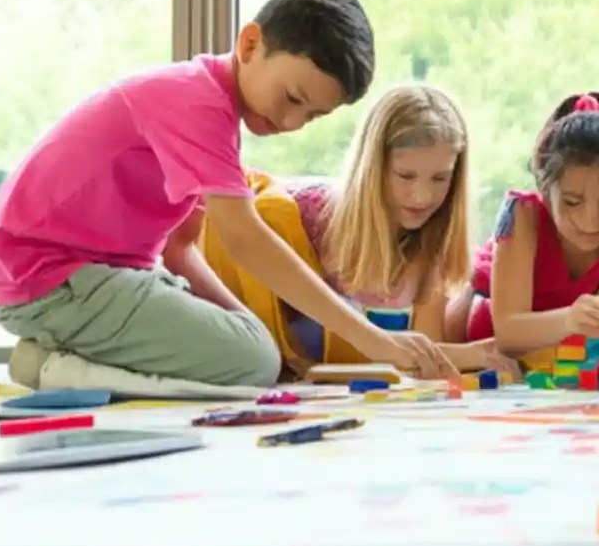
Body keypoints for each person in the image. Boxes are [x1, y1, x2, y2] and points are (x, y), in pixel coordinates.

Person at [0, 0, 458, 390]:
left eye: (312, 116)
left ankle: (61, 353)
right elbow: (245, 239)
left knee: (256, 356)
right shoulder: (195, 104)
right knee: (251, 365)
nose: (292, 122)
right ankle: (52, 369)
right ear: (250, 45)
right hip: (43, 274)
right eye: (292, 97)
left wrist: (250, 333)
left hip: (93, 274)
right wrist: (374, 341)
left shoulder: (211, 115)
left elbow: (180, 251)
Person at [199, 84, 516, 380]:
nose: (422, 197)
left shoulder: (431, 243)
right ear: (372, 169)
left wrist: (478, 354)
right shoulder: (300, 218)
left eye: (440, 179)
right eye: (405, 176)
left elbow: (421, 362)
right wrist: (469, 354)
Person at [462, 92, 599, 371]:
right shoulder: (522, 214)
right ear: (544, 189)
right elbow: (507, 334)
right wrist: (570, 321)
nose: (591, 222)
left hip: (559, 366)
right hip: (485, 354)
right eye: (572, 202)